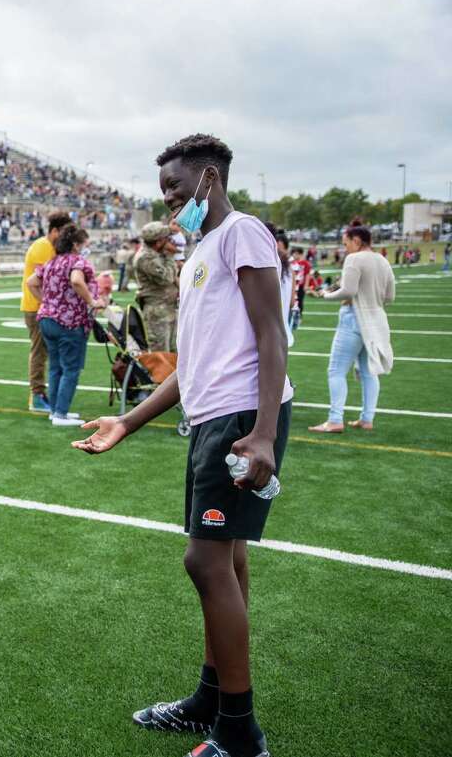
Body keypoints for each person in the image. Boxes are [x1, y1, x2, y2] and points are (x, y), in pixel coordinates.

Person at [73, 134, 290, 757]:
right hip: (214, 416)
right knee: (227, 558)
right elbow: (190, 366)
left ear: (209, 178)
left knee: (205, 562)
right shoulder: (202, 250)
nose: (168, 197)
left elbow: (272, 335)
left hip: (240, 417)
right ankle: (211, 699)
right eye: (163, 188)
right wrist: (127, 422)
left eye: (176, 185)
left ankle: (239, 732)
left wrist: (264, 432)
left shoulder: (242, 232)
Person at [307, 222, 394, 434]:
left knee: (336, 370)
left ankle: (335, 419)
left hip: (354, 318)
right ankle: (367, 418)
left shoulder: (354, 259)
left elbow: (348, 291)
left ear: (356, 241)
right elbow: (390, 296)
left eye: (346, 243)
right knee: (368, 372)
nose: (345, 248)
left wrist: (325, 295)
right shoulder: (383, 260)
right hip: (376, 319)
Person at [26, 224, 105, 425]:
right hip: (69, 322)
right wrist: (92, 301)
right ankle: (60, 413)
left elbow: (31, 282)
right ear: (76, 244)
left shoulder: (52, 261)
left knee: (55, 367)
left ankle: (55, 411)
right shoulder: (77, 261)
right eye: (84, 244)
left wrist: (47, 302)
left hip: (47, 319)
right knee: (70, 368)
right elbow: (77, 280)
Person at [21, 214, 67, 412]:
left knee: (46, 351)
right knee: (39, 351)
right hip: (36, 306)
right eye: (64, 232)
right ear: (54, 231)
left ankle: (43, 393)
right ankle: (37, 394)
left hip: (43, 306)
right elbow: (46, 280)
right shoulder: (43, 247)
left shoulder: (50, 247)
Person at [133, 221, 180, 352]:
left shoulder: (158, 253)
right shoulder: (145, 258)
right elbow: (167, 278)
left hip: (169, 308)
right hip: (157, 312)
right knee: (161, 355)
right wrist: (170, 256)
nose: (169, 240)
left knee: (175, 353)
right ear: (158, 242)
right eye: (166, 238)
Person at [288, 247, 312, 328]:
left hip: (301, 285)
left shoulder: (305, 263)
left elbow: (307, 275)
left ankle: (299, 316)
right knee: (293, 300)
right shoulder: (292, 263)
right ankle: (292, 315)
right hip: (293, 286)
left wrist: (306, 285)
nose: (294, 255)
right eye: (294, 254)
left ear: (300, 254)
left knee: (300, 301)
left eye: (296, 254)